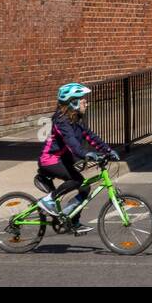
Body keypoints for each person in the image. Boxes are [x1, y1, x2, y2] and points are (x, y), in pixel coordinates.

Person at [37, 83, 118, 235]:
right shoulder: (61, 121)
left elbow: (91, 137)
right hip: (50, 160)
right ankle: (49, 200)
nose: (86, 103)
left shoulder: (75, 121)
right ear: (73, 102)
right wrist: (85, 154)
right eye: (83, 101)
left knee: (85, 187)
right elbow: (72, 143)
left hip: (62, 159)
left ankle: (72, 220)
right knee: (77, 181)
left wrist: (108, 150)